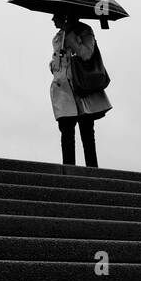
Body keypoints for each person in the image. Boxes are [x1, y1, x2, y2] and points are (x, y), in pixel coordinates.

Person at [49, 13, 110, 166]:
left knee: (87, 132)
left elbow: (86, 54)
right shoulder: (58, 36)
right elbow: (57, 60)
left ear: (66, 17)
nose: (53, 19)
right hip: (62, 89)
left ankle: (92, 171)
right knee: (66, 131)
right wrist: (53, 65)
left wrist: (71, 37)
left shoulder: (84, 31)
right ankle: (68, 171)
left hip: (81, 87)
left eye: (56, 15)